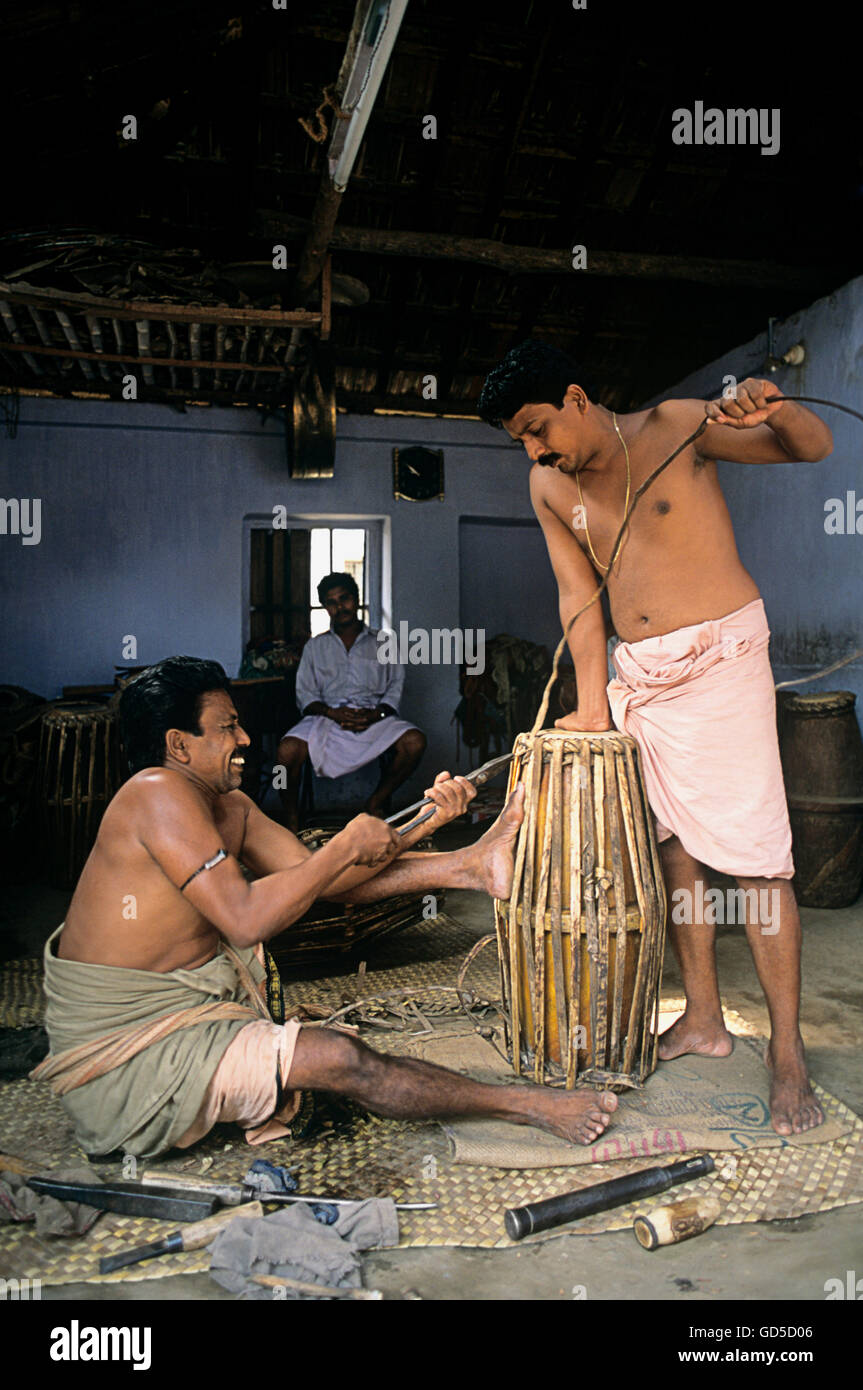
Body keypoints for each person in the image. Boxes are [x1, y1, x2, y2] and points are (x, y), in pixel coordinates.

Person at [33, 656, 617, 1159]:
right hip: (125, 1057)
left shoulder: (229, 806)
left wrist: (434, 825)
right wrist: (340, 845)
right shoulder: (155, 793)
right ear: (178, 744)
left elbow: (336, 885)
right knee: (339, 1057)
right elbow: (245, 917)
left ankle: (474, 865)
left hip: (183, 1020)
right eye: (227, 727)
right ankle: (526, 1106)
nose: (243, 739)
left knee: (334, 1048)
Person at [477, 340, 834, 1136]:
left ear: (574, 396)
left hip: (720, 659)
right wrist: (592, 703)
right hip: (641, 678)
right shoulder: (546, 485)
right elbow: (578, 595)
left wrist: (777, 408)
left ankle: (786, 1051)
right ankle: (703, 1017)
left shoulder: (674, 425)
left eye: (537, 429)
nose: (535, 451)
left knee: (755, 863)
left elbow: (810, 448)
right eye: (521, 442)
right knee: (672, 850)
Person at [277, 573, 425, 829]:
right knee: (286, 750)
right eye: (331, 602)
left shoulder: (384, 642)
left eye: (344, 598)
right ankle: (291, 818)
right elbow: (305, 694)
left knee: (415, 742)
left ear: (356, 600)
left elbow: (394, 687)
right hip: (327, 718)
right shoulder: (315, 647)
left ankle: (375, 802)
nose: (339, 607)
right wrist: (334, 714)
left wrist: (375, 715)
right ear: (326, 608)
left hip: (374, 718)